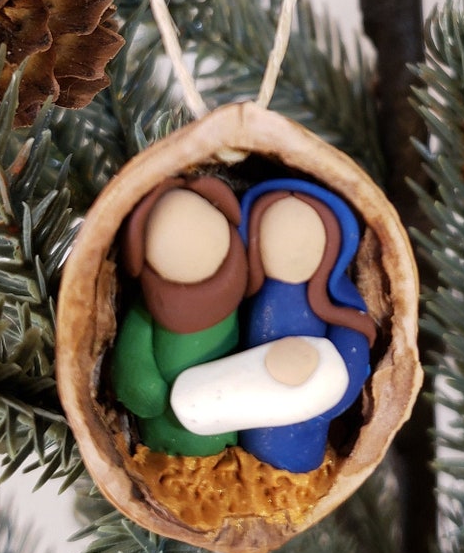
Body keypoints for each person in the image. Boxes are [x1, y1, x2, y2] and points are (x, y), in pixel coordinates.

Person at [237, 178, 375, 472]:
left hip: (304, 422)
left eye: (304, 242)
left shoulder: (337, 309)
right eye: (275, 237)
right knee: (254, 447)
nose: (290, 250)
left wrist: (318, 407)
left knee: (288, 456)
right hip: (250, 416)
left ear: (329, 250)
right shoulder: (251, 296)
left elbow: (350, 366)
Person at [111, 175, 247, 456]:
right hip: (166, 431)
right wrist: (144, 387)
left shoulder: (238, 304)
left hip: (226, 424)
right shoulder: (148, 310)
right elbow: (134, 364)